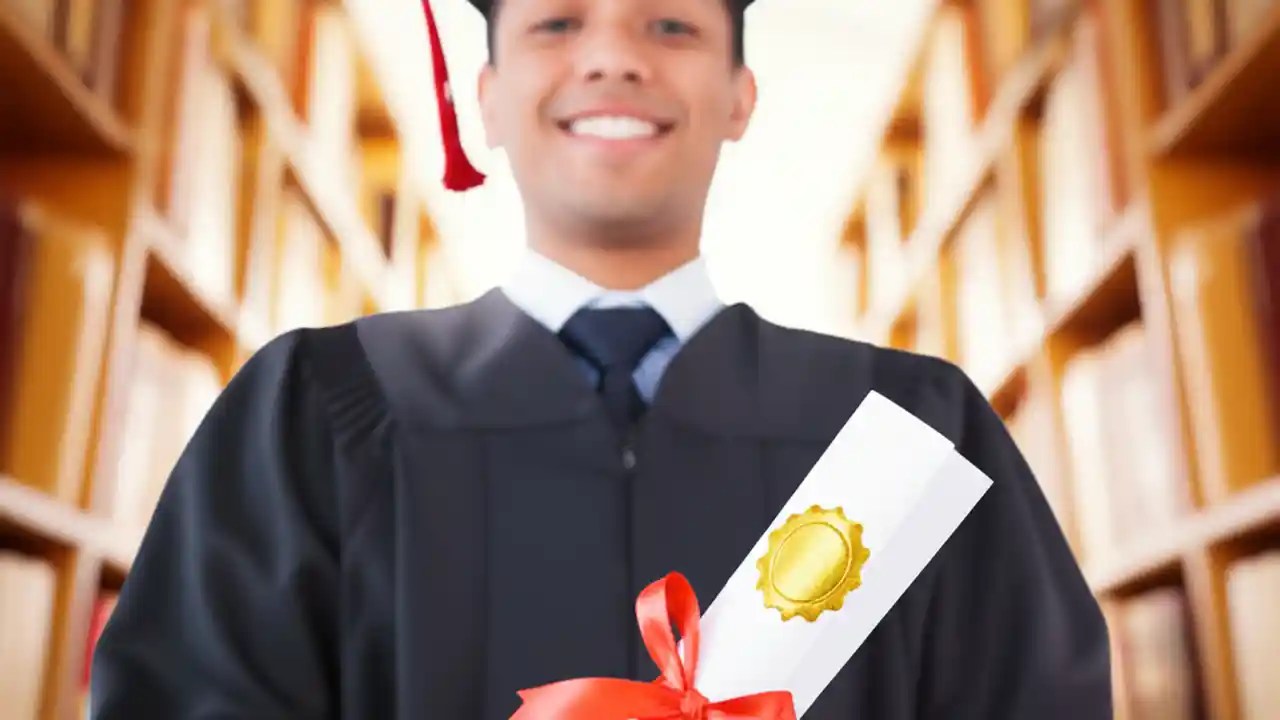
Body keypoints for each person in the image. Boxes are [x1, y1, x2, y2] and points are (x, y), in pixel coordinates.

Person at [90, 0, 1113, 717]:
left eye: (671, 24)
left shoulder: (907, 428)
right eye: (555, 23)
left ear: (739, 94)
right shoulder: (313, 408)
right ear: (486, 98)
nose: (614, 56)